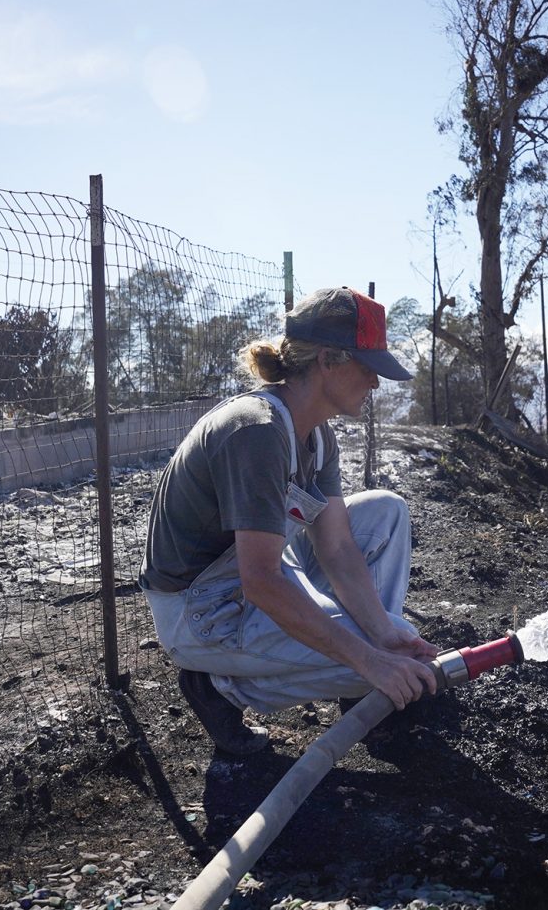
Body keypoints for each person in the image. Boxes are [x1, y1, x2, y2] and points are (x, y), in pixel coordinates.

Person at [139, 286, 439, 755]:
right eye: (369, 368)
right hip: (202, 608)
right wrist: (369, 660)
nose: (376, 384)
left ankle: (367, 669)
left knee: (386, 512)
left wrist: (382, 633)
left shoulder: (317, 436)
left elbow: (338, 547)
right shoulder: (256, 432)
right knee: (372, 664)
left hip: (257, 570)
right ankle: (219, 687)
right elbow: (260, 580)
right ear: (328, 360)